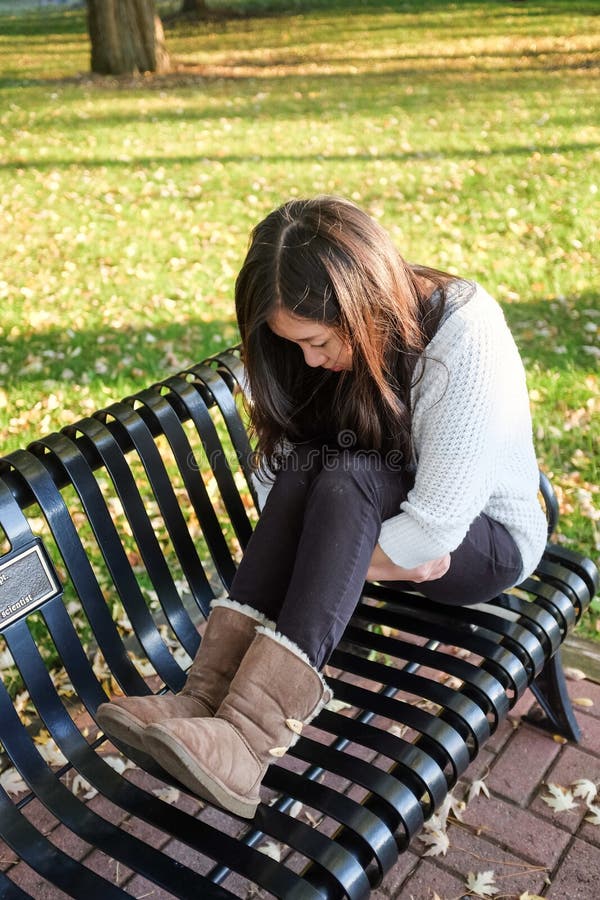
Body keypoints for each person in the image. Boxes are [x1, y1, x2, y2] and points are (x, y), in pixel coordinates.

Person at [97, 196, 547, 818]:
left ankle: (249, 743)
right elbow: (276, 479)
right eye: (291, 343)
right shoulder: (293, 346)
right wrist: (343, 551)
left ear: (364, 308)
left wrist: (335, 559)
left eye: (316, 341)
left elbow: (434, 534)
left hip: (487, 538)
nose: (308, 359)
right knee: (317, 464)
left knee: (349, 477)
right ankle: (203, 699)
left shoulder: (464, 333)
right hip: (387, 531)